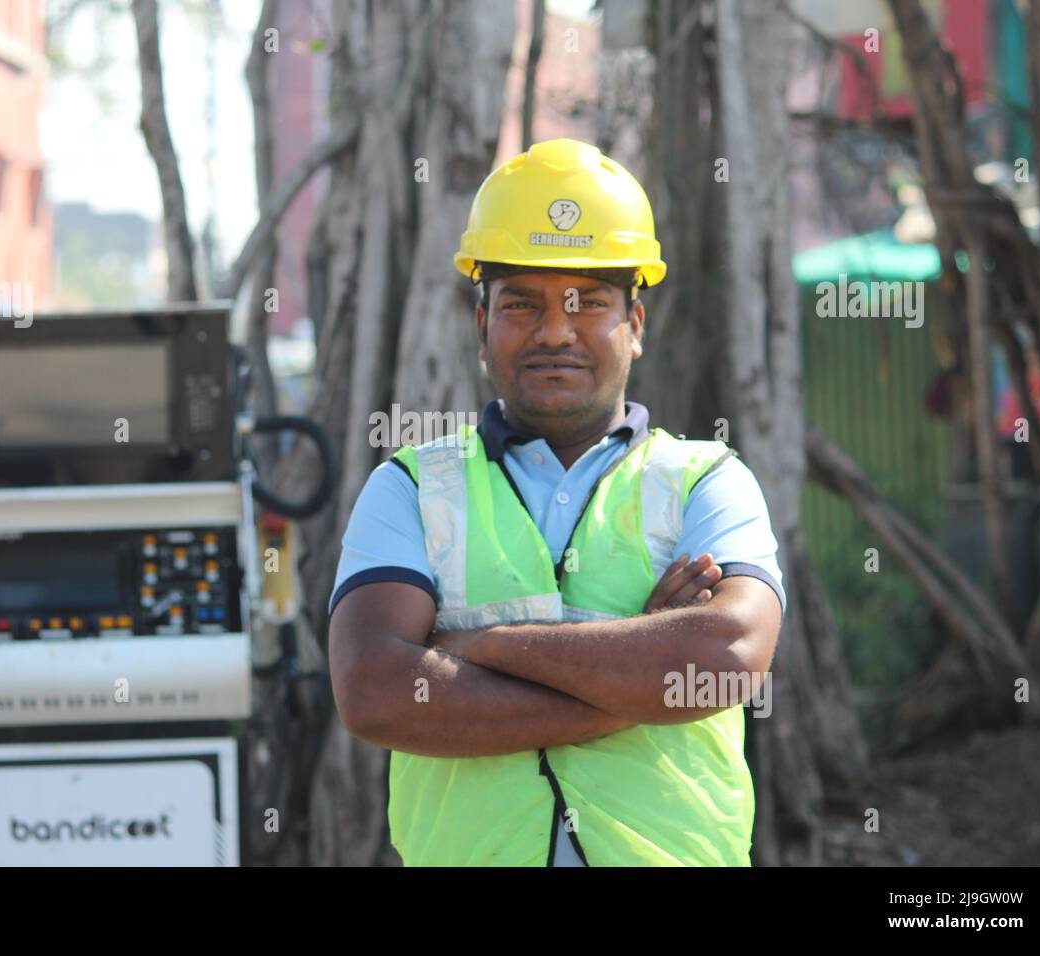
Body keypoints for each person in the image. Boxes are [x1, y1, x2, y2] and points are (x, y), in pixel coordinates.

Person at [328, 138, 785, 866]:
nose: (554, 331)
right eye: (520, 303)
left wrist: (476, 646)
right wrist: (636, 673)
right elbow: (375, 691)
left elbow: (724, 656)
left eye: (589, 302)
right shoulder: (412, 488)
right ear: (482, 328)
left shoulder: (706, 480)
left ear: (635, 325)